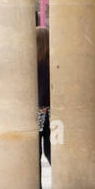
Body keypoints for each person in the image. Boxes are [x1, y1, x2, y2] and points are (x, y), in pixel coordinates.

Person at [36, 26, 51, 165]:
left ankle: (37, 185)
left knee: (34, 152)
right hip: (51, 110)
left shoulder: (32, 63)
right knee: (50, 148)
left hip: (37, 110)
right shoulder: (53, 62)